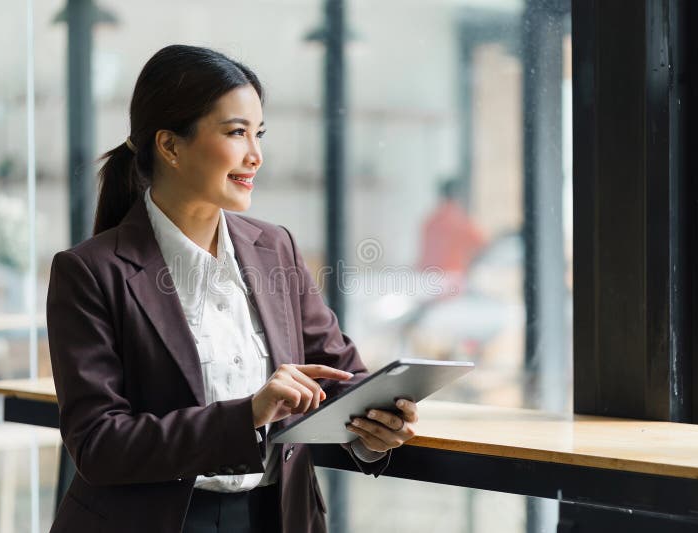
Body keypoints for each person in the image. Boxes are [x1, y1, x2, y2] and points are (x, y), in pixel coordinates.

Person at [46, 45, 419, 533]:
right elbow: (98, 444)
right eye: (236, 132)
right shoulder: (90, 272)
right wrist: (247, 415)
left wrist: (376, 429)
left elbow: (339, 376)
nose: (255, 155)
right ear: (171, 146)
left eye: (258, 133)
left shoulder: (274, 247)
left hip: (275, 517)